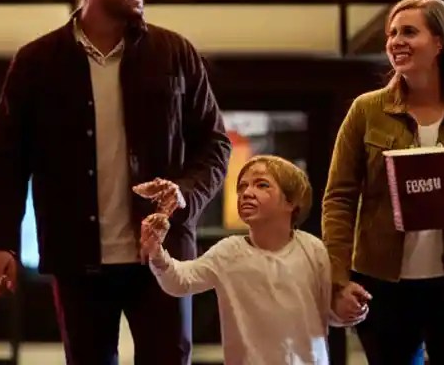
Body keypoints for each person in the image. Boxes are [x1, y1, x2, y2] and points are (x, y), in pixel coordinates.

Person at [0, 0, 232, 365]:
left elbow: (215, 144)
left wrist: (185, 193)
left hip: (163, 256)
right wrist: (0, 243)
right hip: (76, 258)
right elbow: (5, 160)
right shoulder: (37, 63)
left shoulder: (175, 53)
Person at [321, 0, 444, 365]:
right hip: (382, 284)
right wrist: (338, 279)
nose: (396, 41)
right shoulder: (366, 109)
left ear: (440, 42)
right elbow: (339, 199)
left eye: (409, 31)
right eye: (392, 33)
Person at [141, 155, 365, 365]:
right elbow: (180, 281)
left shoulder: (313, 250)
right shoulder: (228, 252)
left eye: (262, 185)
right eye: (242, 187)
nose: (246, 193)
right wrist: (156, 251)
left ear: (292, 202)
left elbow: (328, 311)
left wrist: (348, 308)